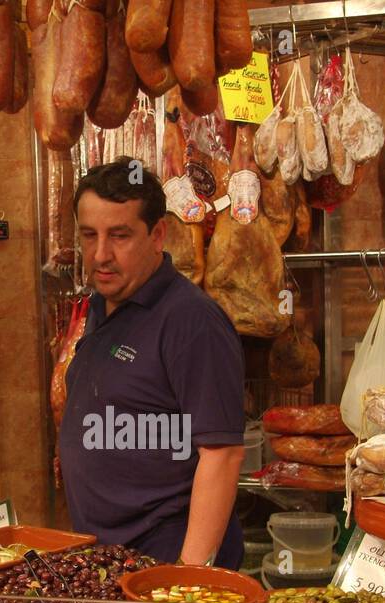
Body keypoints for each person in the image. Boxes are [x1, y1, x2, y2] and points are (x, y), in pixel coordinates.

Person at [57, 157, 246, 568]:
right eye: (89, 236)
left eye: (120, 236)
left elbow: (223, 454)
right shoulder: (100, 306)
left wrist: (187, 581)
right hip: (108, 559)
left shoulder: (191, 320)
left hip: (166, 563)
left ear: (158, 234)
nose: (101, 254)